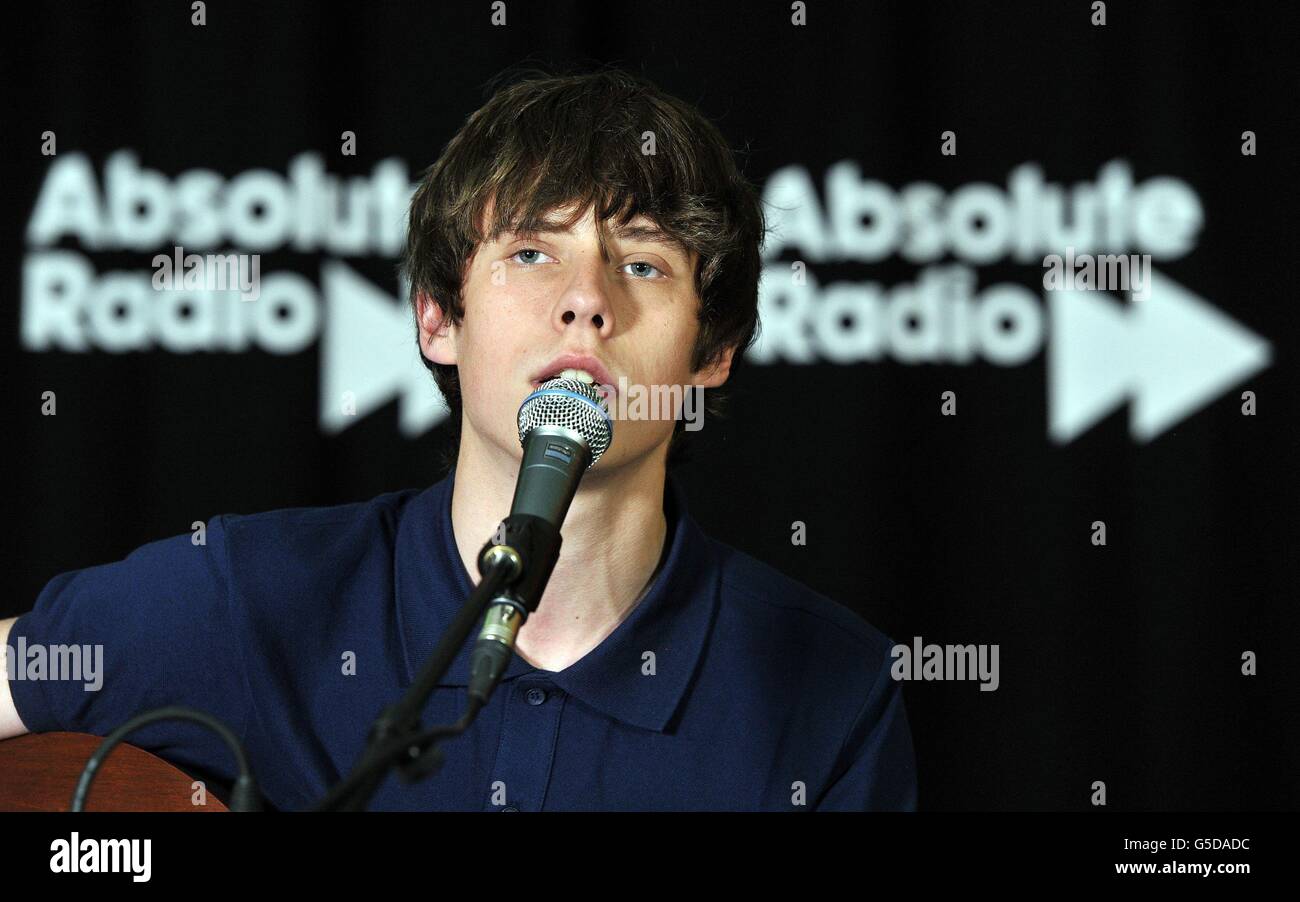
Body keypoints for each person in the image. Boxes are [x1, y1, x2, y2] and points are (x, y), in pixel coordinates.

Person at [0, 67, 917, 811]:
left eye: (642, 262)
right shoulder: (256, 596)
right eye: (531, 252)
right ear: (439, 318)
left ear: (711, 350)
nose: (587, 299)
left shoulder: (828, 694)